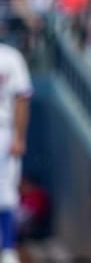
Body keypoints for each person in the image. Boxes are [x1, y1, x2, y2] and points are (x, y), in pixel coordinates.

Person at [0, 38, 31, 263]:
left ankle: (8, 247)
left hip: (3, 128)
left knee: (5, 191)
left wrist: (19, 136)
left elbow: (22, 97)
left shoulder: (10, 56)